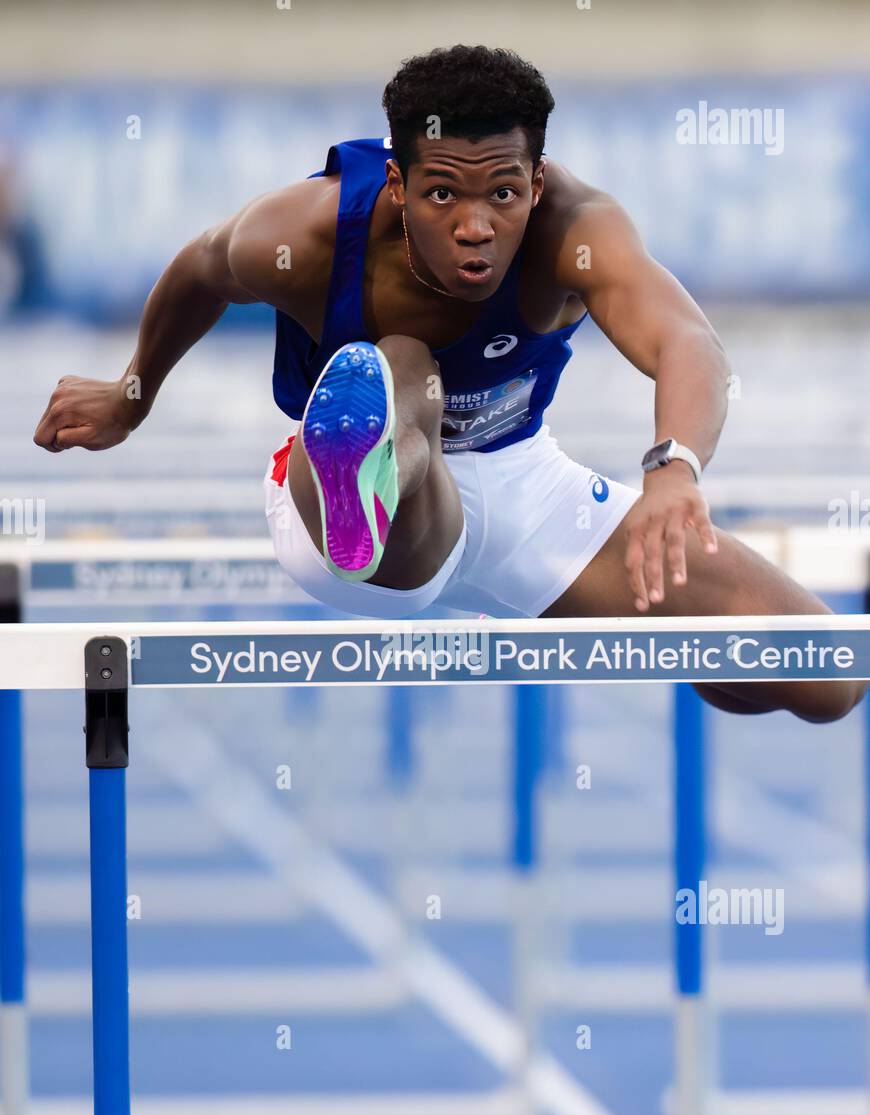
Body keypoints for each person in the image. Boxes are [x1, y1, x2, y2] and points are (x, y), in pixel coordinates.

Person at [34, 44, 863, 722]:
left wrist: (675, 467)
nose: (475, 226)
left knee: (827, 675)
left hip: (528, 490)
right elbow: (199, 270)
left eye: (504, 194)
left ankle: (624, 625)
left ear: (537, 184)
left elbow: (688, 340)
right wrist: (129, 399)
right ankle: (364, 458)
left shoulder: (576, 232)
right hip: (356, 525)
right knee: (404, 363)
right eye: (441, 195)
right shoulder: (303, 233)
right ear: (396, 185)